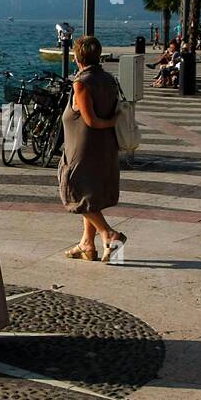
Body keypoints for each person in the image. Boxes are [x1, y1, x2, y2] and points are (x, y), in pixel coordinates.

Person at [59, 36, 126, 262]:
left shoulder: (82, 83)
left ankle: (109, 234)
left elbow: (91, 120)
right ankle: (87, 244)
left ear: (77, 57)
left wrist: (110, 122)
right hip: (104, 146)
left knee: (74, 192)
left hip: (83, 148)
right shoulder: (108, 79)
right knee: (90, 196)